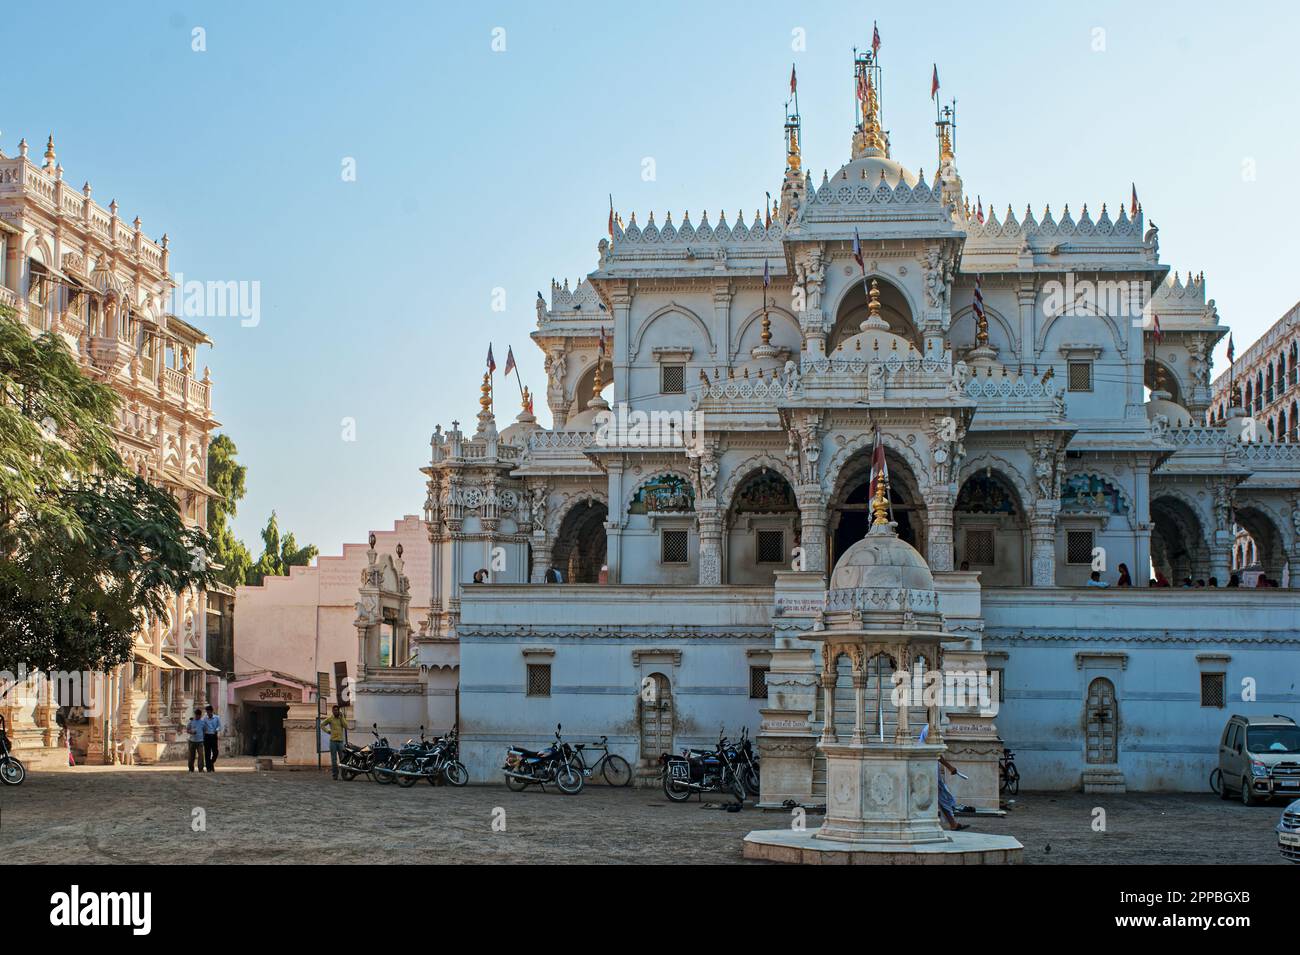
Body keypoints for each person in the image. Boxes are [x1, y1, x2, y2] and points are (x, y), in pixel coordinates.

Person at [938, 754, 969, 831]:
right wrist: (949, 767)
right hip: (927, 767)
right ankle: (953, 824)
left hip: (927, 766)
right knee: (941, 797)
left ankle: (953, 824)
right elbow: (936, 752)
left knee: (942, 798)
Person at [321, 705, 349, 780]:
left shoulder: (341, 718)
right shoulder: (330, 719)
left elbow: (346, 726)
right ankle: (335, 775)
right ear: (332, 711)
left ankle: (344, 775)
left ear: (338, 711)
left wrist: (342, 717)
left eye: (337, 710)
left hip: (340, 742)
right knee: (334, 760)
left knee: (342, 759)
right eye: (334, 710)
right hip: (333, 742)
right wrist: (328, 731)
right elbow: (322, 725)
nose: (335, 711)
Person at [186, 707, 206, 773]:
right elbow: (187, 730)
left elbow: (204, 730)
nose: (197, 716)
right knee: (191, 756)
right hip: (192, 741)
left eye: (198, 715)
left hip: (200, 741)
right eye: (196, 715)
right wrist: (191, 732)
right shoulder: (191, 722)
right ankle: (191, 769)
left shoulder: (203, 722)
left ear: (200, 715)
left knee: (201, 755)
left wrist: (203, 738)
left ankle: (201, 768)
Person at [202, 704, 221, 771]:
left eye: (209, 712)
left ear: (212, 711)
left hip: (213, 736)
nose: (208, 713)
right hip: (207, 736)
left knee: (215, 752)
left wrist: (217, 730)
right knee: (207, 752)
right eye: (207, 712)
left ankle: (211, 763)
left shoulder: (217, 718)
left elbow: (219, 726)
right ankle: (209, 768)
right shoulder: (204, 718)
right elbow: (202, 726)